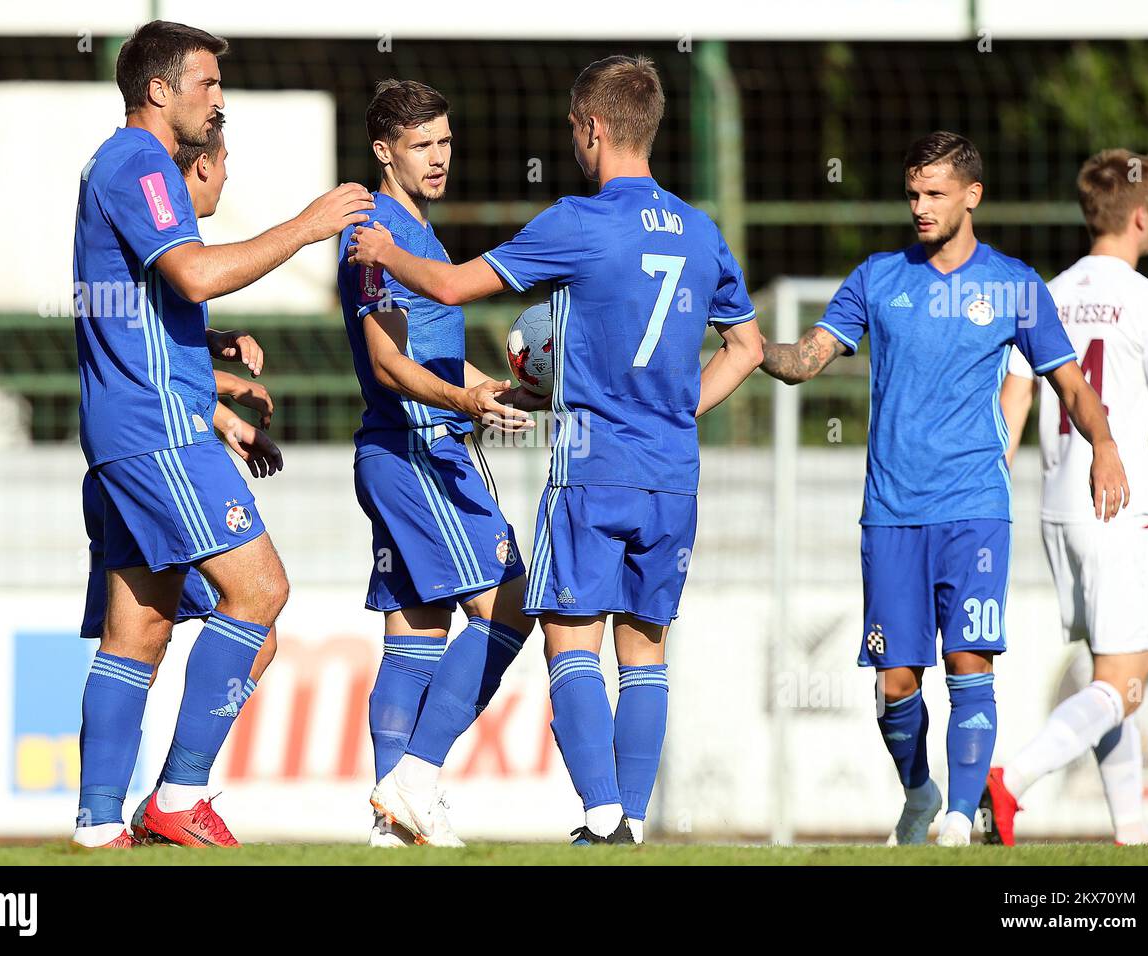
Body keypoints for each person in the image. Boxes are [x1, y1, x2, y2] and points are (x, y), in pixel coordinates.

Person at [348, 56, 763, 845]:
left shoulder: (577, 222)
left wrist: (384, 253)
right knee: (645, 651)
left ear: (594, 128)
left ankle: (596, 814)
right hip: (674, 473)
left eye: (575, 129)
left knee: (569, 639)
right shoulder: (703, 231)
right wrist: (679, 406)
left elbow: (450, 286)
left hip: (591, 466)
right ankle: (630, 823)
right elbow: (745, 345)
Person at [758, 131, 1129, 846]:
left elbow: (1071, 384)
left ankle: (962, 817)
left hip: (974, 508)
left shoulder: (1015, 284)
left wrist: (1106, 445)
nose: (920, 207)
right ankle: (922, 793)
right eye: (913, 194)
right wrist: (749, 347)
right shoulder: (877, 277)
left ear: (972, 195)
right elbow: (806, 360)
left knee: (969, 659)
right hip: (892, 514)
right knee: (896, 682)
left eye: (934, 193)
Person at [72, 19, 373, 848]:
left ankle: (99, 825)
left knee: (139, 628)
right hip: (157, 433)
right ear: (158, 90)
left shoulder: (114, 164)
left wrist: (205, 358)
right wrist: (309, 226)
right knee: (262, 593)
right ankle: (178, 795)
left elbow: (131, 306)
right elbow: (193, 271)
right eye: (205, 83)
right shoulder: (139, 160)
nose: (218, 99)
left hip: (129, 430)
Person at [336, 79, 536, 847]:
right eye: (422, 145)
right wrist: (463, 402)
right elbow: (388, 363)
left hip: (405, 448)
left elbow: (427, 350)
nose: (439, 157)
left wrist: (495, 386)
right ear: (384, 151)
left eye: (445, 141)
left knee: (415, 634)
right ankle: (416, 780)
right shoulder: (373, 232)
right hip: (420, 450)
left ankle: (391, 822)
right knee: (513, 606)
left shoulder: (416, 231)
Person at [987, 149, 1148, 846]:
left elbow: (1010, 409)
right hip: (1120, 508)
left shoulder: (1045, 295)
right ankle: (1010, 782)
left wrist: (987, 494)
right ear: (1140, 215)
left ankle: (1130, 833)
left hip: (1056, 510)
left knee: (1110, 672)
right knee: (1126, 682)